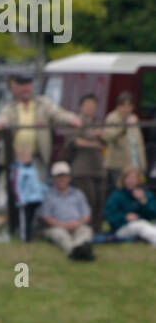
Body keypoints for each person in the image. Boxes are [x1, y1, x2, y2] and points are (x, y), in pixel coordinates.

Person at [0, 73, 80, 233]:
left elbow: (59, 114)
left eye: (28, 85)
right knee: (4, 193)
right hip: (13, 160)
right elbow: (3, 120)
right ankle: (3, 229)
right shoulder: (9, 107)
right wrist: (0, 125)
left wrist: (72, 119)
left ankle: (35, 228)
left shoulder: (43, 104)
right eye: (21, 85)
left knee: (37, 193)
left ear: (32, 87)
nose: (25, 89)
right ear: (16, 88)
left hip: (36, 158)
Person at [65, 94, 106, 234]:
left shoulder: (99, 122)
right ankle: (85, 230)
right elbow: (74, 141)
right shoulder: (76, 122)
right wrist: (93, 143)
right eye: (88, 105)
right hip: (81, 169)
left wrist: (101, 136)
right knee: (88, 200)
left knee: (100, 199)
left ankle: (97, 230)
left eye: (93, 105)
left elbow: (106, 142)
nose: (91, 108)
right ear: (81, 106)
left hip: (99, 168)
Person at [37, 162, 94, 261]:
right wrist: (64, 225)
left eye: (64, 176)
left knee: (86, 231)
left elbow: (87, 214)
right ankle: (75, 251)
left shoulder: (78, 193)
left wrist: (78, 223)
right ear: (53, 179)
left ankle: (79, 249)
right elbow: (45, 217)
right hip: (57, 226)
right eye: (58, 176)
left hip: (77, 225)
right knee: (60, 235)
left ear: (69, 178)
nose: (61, 179)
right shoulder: (48, 195)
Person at [104, 91, 147, 192]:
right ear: (118, 106)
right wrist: (125, 125)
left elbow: (138, 144)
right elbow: (108, 136)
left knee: (138, 193)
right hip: (118, 166)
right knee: (120, 193)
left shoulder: (133, 119)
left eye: (129, 106)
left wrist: (143, 165)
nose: (126, 109)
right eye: (123, 105)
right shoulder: (112, 117)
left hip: (135, 166)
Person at [104, 167, 156, 248]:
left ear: (138, 180)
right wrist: (124, 217)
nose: (130, 181)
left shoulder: (145, 194)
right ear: (123, 180)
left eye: (133, 178)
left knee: (143, 224)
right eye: (128, 178)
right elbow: (109, 216)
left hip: (146, 225)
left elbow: (153, 214)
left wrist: (143, 201)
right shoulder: (116, 195)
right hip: (121, 228)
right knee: (140, 224)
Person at [9, 145, 47, 242]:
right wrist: (20, 200)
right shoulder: (18, 170)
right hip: (25, 201)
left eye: (29, 156)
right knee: (24, 220)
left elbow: (36, 183)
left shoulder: (33, 169)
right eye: (24, 156)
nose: (27, 158)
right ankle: (24, 238)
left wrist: (43, 189)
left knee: (32, 219)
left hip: (35, 199)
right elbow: (16, 187)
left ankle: (31, 235)